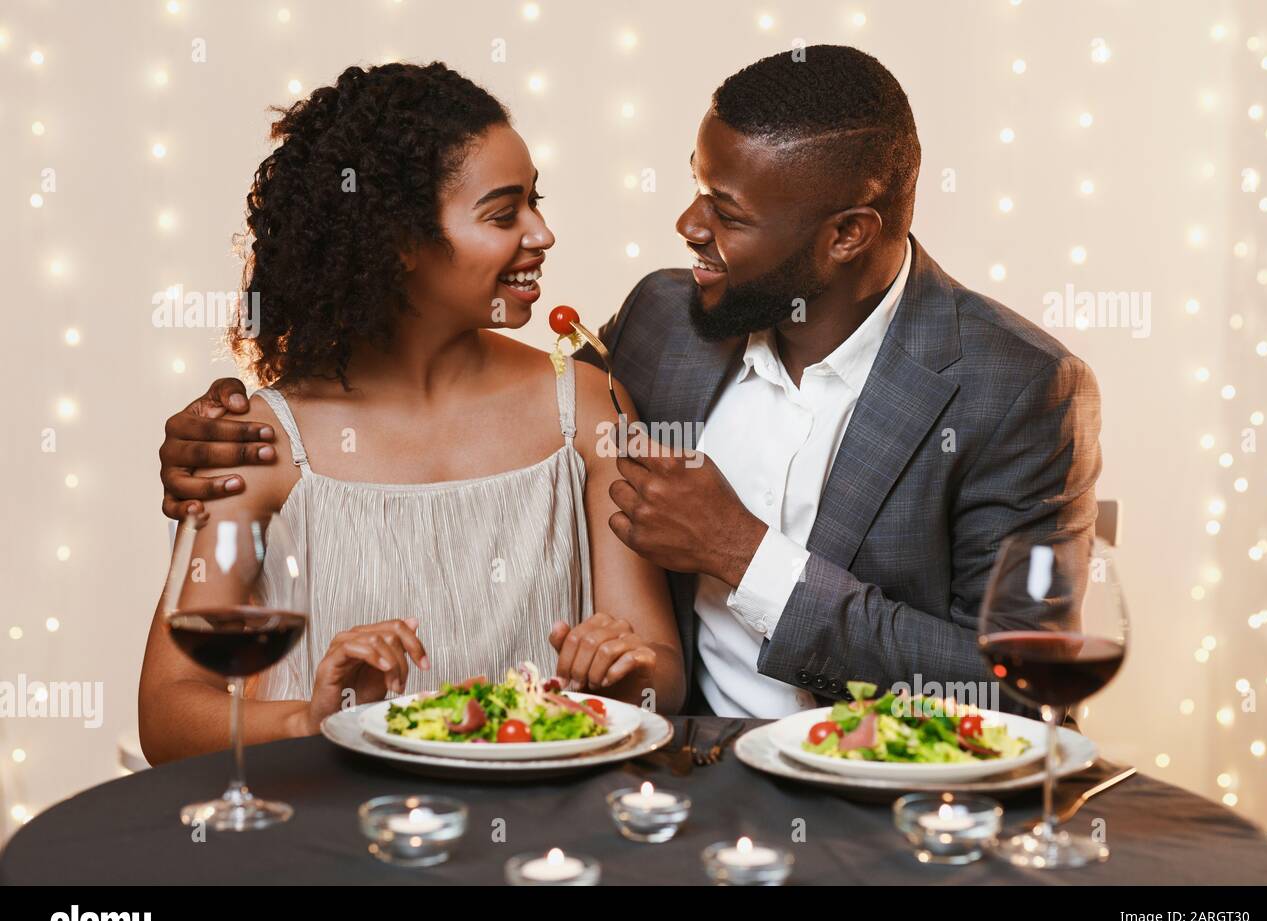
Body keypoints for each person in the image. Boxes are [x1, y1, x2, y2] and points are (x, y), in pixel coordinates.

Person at [155, 47, 1101, 721]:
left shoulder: (1018, 388)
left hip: (895, 807)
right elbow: (493, 387)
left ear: (846, 232)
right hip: (681, 792)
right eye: (697, 185)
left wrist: (744, 553)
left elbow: (1018, 686)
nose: (686, 223)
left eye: (724, 210)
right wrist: (218, 438)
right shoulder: (666, 321)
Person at [139, 62, 684, 765]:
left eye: (535, 202)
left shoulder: (581, 403)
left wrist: (631, 669)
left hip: (536, 830)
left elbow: (661, 668)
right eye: (503, 212)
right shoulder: (261, 444)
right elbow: (168, 712)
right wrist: (310, 717)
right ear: (399, 242)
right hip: (333, 841)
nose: (542, 233)